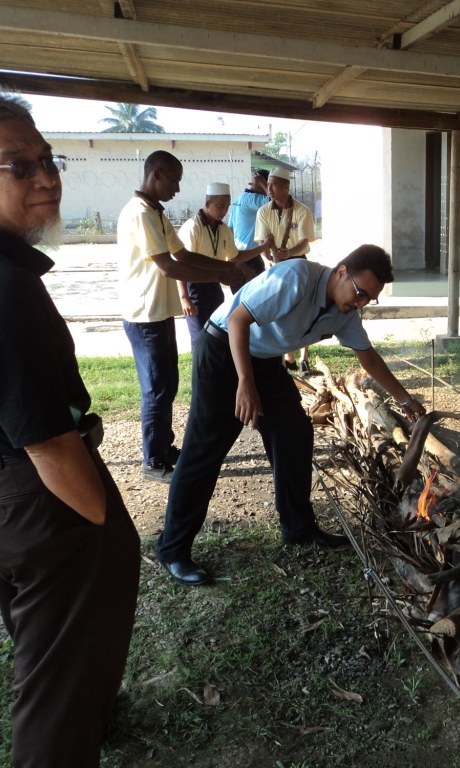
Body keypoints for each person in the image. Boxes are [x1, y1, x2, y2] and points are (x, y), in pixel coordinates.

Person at [0, 90, 140, 767]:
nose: (44, 178)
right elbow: (45, 440)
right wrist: (104, 525)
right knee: (56, 684)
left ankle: (95, 719)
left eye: (47, 160)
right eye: (18, 166)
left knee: (51, 645)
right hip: (35, 499)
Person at [157, 245, 427, 585]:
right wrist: (245, 384)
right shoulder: (297, 278)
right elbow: (238, 318)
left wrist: (405, 401)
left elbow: (368, 358)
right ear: (342, 271)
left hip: (263, 360)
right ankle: (173, 550)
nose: (360, 303)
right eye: (360, 293)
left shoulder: (344, 311)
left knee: (294, 432)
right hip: (224, 349)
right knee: (204, 450)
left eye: (368, 300)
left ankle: (298, 527)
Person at [117, 151, 252, 482]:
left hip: (159, 313)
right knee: (157, 387)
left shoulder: (156, 214)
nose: (177, 189)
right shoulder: (140, 214)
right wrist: (221, 275)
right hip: (143, 315)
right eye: (174, 180)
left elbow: (184, 254)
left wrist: (226, 267)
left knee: (168, 382)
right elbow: (169, 266)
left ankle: (164, 447)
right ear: (157, 174)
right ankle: (153, 460)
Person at [177, 182, 271, 343]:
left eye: (227, 207)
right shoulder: (193, 227)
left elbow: (235, 256)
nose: (225, 211)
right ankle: (199, 368)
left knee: (216, 336)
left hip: (216, 286)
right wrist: (184, 297)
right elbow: (181, 264)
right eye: (221, 206)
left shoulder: (224, 229)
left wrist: (263, 247)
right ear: (208, 204)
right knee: (199, 340)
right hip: (196, 291)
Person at [254, 166, 316, 374]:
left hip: (298, 262)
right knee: (280, 311)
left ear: (286, 186)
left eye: (273, 184)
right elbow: (263, 243)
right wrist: (266, 260)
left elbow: (305, 241)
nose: (268, 188)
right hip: (276, 265)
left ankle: (304, 358)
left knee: (304, 310)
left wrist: (289, 252)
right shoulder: (263, 212)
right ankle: (287, 355)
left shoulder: (302, 210)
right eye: (268, 184)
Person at [228, 168, 271, 275]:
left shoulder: (239, 199)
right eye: (270, 186)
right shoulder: (254, 199)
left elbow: (231, 228)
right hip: (251, 256)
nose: (270, 191)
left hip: (239, 253)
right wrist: (263, 184)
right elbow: (276, 202)